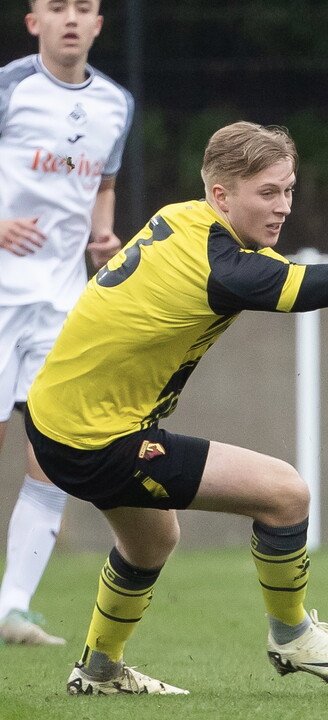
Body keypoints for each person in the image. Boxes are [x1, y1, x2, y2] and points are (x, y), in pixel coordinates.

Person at [23, 120, 328, 694]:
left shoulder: (181, 218)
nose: (283, 206)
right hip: (95, 440)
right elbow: (316, 290)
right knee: (284, 493)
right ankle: (291, 637)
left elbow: (299, 279)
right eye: (268, 192)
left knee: (150, 542)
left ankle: (99, 672)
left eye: (287, 189)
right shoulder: (225, 266)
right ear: (221, 194)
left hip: (57, 420)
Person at [0, 0, 131, 646]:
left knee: (50, 451)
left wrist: (101, 235)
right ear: (34, 22)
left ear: (99, 24)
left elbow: (103, 183)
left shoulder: (116, 104)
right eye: (57, 7)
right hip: (0, 294)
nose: (71, 18)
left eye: (84, 7)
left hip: (62, 301)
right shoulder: (9, 87)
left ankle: (12, 608)